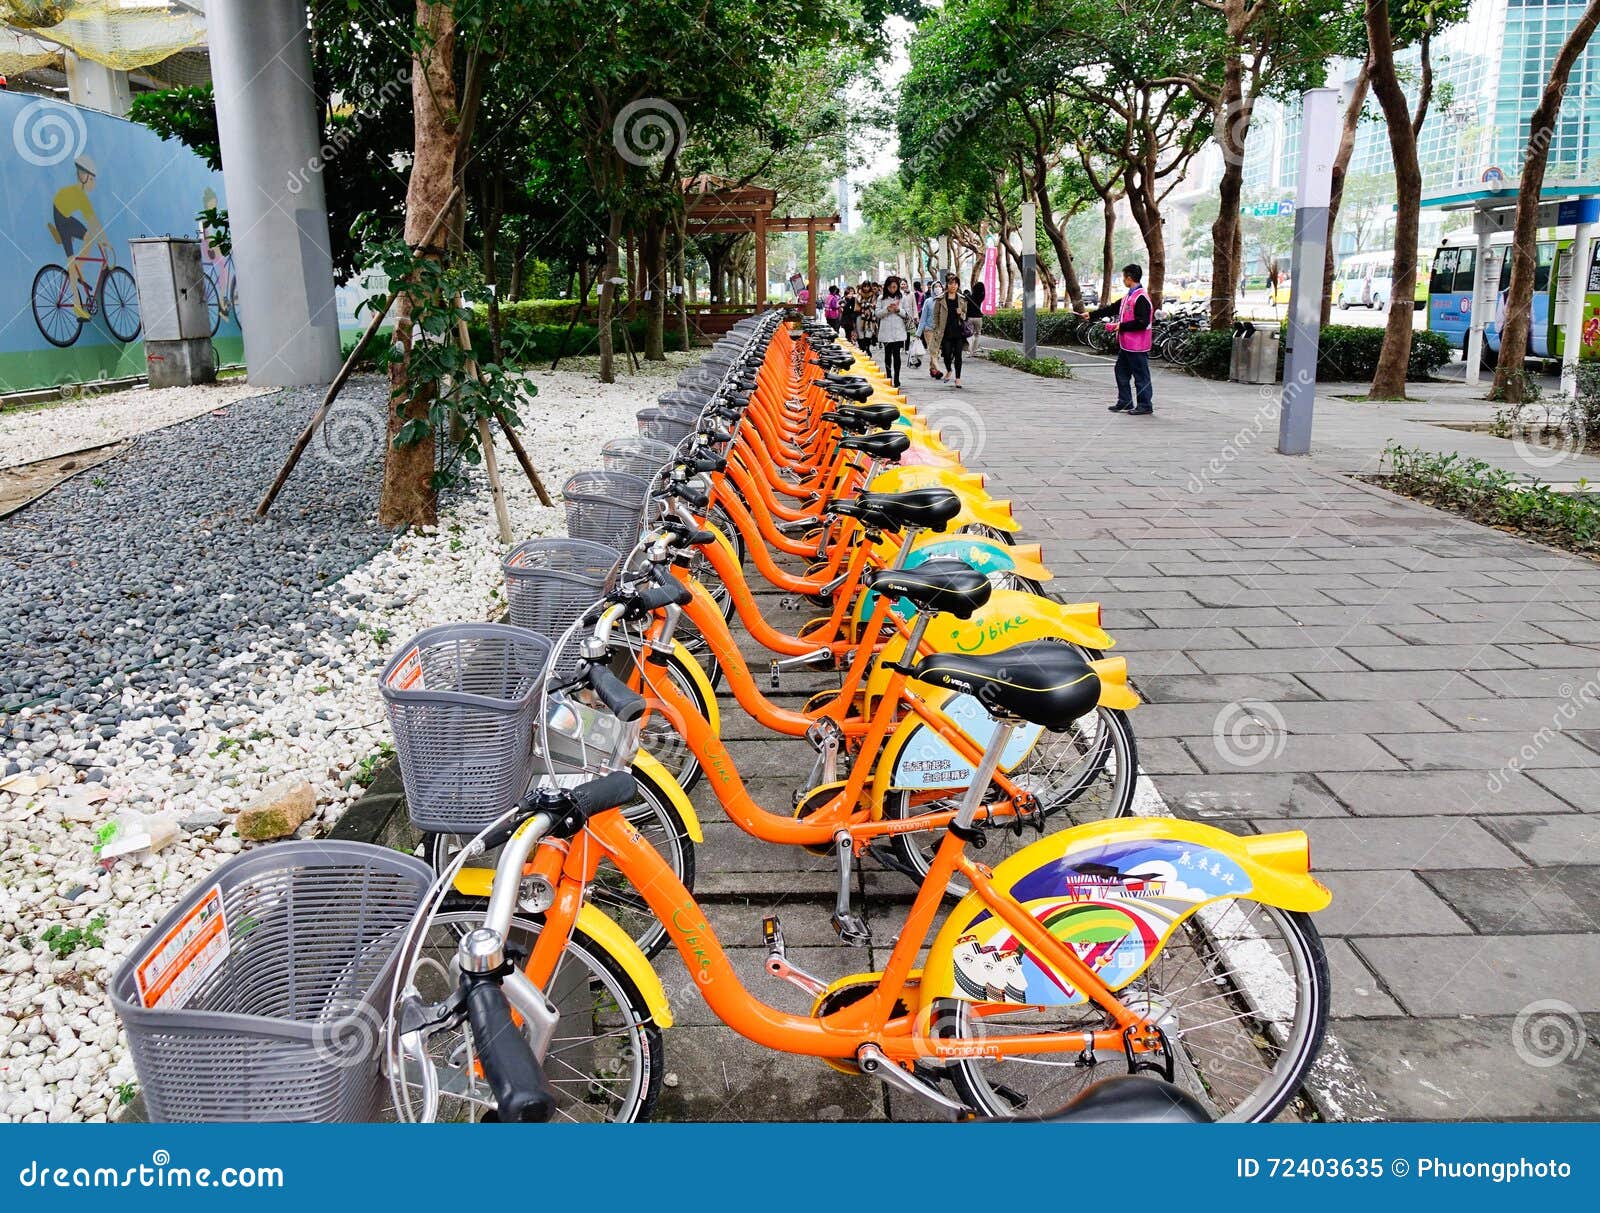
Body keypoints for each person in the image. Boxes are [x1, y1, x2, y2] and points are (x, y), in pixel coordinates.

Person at [1082, 262, 1155, 415]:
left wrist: (1121, 326)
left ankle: (1145, 405)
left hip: (1138, 345)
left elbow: (1142, 322)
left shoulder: (1141, 297)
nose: (1123, 280)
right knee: (1121, 371)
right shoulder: (1129, 296)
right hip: (1127, 344)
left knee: (1140, 375)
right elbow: (1112, 308)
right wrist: (1092, 315)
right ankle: (1125, 401)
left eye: (1124, 277)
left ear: (1129, 278)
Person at [50, 153, 107, 318]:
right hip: (61, 216)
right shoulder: (78, 195)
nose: (93, 183)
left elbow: (93, 221)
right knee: (73, 259)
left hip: (65, 216)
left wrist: (104, 240)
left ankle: (75, 267)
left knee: (88, 239)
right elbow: (92, 220)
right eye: (91, 179)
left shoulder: (80, 196)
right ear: (83, 177)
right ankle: (77, 304)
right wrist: (104, 241)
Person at [928, 273, 969, 388]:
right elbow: (935, 315)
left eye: (956, 284)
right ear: (947, 285)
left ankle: (958, 378)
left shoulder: (962, 299)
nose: (953, 286)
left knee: (958, 356)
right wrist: (936, 328)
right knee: (946, 354)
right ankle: (949, 370)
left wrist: (961, 313)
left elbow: (966, 316)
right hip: (945, 332)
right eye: (951, 283)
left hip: (958, 332)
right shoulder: (940, 299)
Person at [877, 275, 909, 388]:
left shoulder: (903, 298)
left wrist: (898, 310)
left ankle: (897, 378)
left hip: (898, 331)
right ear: (886, 287)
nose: (892, 289)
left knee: (897, 355)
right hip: (886, 331)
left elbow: (906, 314)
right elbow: (877, 314)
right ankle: (889, 376)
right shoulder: (881, 298)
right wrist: (887, 310)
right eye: (890, 287)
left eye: (895, 287)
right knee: (887, 355)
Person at [916, 284, 942, 379]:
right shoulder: (928, 301)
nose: (938, 288)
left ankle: (932, 369)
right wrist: (918, 333)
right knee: (933, 350)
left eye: (940, 286)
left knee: (937, 351)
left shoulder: (943, 301)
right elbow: (923, 318)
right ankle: (937, 369)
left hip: (939, 330)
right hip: (928, 330)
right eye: (936, 286)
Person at [857, 280, 880, 352]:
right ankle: (862, 349)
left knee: (869, 332)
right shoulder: (858, 295)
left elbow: (875, 305)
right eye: (864, 286)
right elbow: (858, 305)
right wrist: (868, 306)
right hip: (860, 316)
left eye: (867, 286)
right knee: (860, 332)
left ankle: (867, 349)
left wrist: (868, 307)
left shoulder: (873, 295)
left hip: (871, 317)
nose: (866, 288)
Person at [965, 277, 986, 353]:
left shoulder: (969, 297)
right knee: (978, 334)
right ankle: (974, 350)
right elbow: (983, 293)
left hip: (970, 317)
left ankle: (969, 350)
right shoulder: (981, 298)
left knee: (970, 334)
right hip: (978, 318)